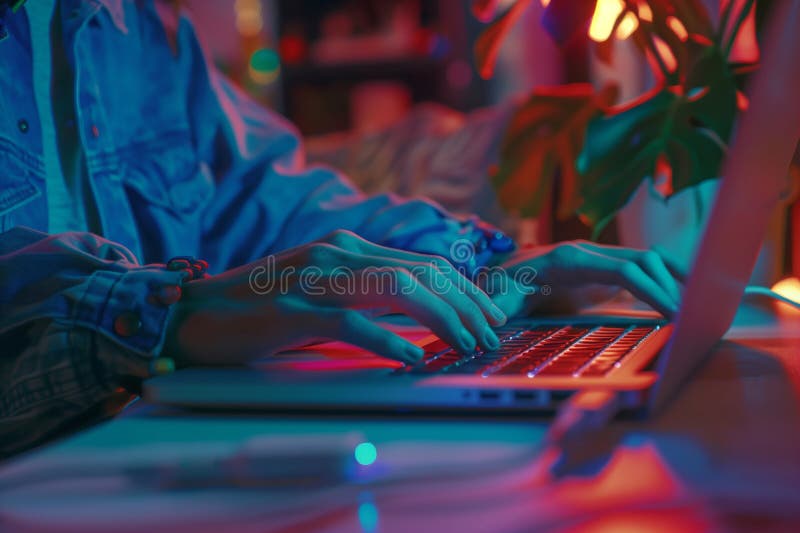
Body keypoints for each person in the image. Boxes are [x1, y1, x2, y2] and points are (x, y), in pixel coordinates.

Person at [0, 0, 681, 455]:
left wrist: (486, 262)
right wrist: (164, 316)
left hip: (149, 461)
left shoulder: (145, 33)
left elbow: (275, 201)